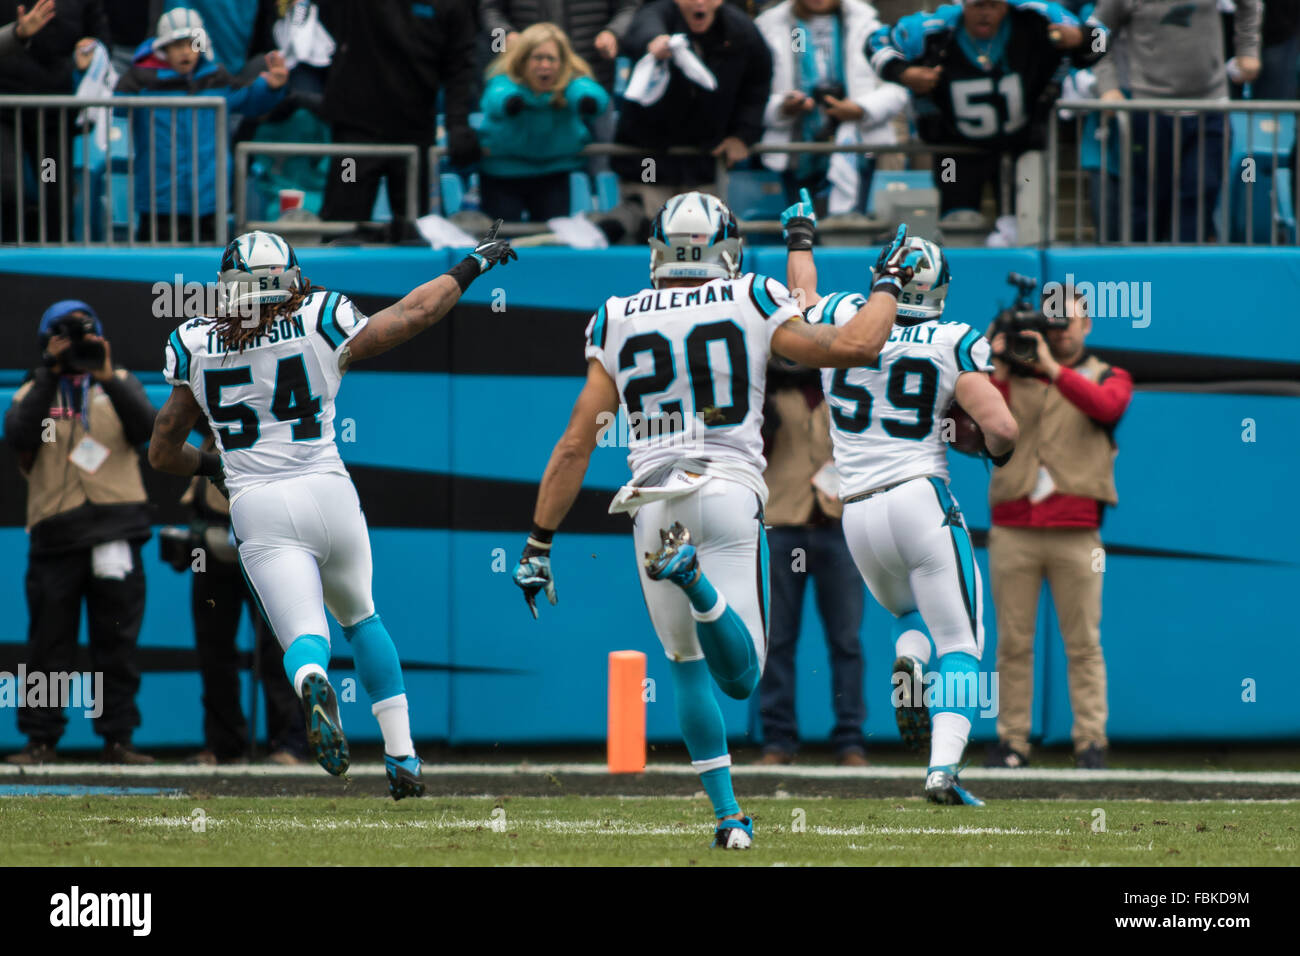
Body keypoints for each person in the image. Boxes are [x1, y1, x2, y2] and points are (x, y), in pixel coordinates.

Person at [512, 190, 908, 848]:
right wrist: (887, 284)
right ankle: (696, 584)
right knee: (743, 674)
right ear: (727, 249)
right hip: (725, 487)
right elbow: (853, 344)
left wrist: (538, 543)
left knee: (684, 664)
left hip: (649, 498)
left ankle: (728, 817)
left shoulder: (615, 315)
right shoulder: (749, 295)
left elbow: (576, 443)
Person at [147, 225, 516, 799]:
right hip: (328, 490)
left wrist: (212, 468)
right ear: (290, 278)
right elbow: (416, 313)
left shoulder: (193, 341)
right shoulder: (323, 313)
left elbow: (162, 450)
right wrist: (473, 264)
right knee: (362, 616)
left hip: (256, 503)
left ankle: (314, 681)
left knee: (304, 636)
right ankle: (403, 758)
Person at [781, 194, 1018, 804]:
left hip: (856, 509)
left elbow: (801, 299)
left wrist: (802, 238)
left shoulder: (842, 312)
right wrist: (988, 450)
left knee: (910, 616)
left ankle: (911, 659)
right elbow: (1003, 428)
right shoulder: (953, 338)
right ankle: (943, 770)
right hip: (919, 497)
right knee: (963, 644)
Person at [3, 301, 158, 766]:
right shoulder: (32, 390)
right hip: (55, 534)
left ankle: (118, 738)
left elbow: (149, 428)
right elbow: (18, 435)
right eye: (63, 338)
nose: (75, 347)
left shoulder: (119, 382)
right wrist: (50, 372)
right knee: (48, 646)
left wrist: (106, 372)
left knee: (117, 643)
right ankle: (40, 740)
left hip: (115, 530)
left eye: (82, 337)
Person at [983, 289, 1131, 770]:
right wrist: (990, 354)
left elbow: (1107, 407)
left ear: (1087, 323)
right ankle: (1012, 743)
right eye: (1053, 321)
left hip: (1077, 530)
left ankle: (1091, 742)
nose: (1061, 329)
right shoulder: (1012, 378)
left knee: (1084, 642)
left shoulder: (1110, 375)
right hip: (1014, 526)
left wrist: (1051, 369)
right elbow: (973, 412)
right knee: (1013, 644)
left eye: (1069, 320)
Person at [868, 0, 1106, 220]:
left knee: (1027, 220)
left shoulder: (1037, 17)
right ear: (963, 5)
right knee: (955, 220)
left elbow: (1102, 39)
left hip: (1022, 146)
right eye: (978, 5)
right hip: (953, 149)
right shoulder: (933, 28)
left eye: (992, 5)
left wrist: (1081, 37)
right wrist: (903, 73)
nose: (985, 14)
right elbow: (875, 42)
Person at [757, 355, 869, 766]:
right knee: (778, 639)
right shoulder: (761, 389)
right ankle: (777, 740)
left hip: (837, 525)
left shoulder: (842, 386)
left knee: (846, 640)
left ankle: (851, 740)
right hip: (782, 522)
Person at [172, 429, 307, 766]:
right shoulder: (208, 378)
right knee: (214, 646)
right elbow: (191, 416)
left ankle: (291, 742)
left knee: (278, 644)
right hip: (216, 523)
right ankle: (224, 743)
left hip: (271, 518)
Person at [114, 8, 288, 242]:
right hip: (160, 201)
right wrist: (85, 73)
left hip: (209, 202)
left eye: (193, 44)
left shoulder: (216, 77)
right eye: (177, 45)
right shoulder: (141, 81)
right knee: (158, 275)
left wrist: (271, 87)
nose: (186, 52)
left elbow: (248, 99)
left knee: (213, 272)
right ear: (163, 48)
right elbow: (112, 105)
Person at [1092, 0, 1260, 242]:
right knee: (1147, 210)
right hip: (1150, 113)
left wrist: (1248, 50)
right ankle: (1145, 275)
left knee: (1198, 201)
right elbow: (1096, 31)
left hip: (1210, 109)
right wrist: (1107, 86)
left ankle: (1187, 276)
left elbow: (1251, 5)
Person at [317, 0, 478, 241]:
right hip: (356, 132)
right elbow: (327, 15)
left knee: (418, 233)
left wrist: (458, 124)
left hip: (416, 133)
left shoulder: (452, 6)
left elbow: (460, 66)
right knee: (342, 226)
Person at [612, 0, 773, 219]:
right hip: (647, 159)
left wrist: (742, 135)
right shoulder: (658, 13)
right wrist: (654, 43)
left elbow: (757, 85)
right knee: (651, 230)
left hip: (703, 162)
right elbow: (641, 30)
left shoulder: (739, 29)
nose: (699, 2)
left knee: (701, 234)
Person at [756, 0, 908, 212]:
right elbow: (750, 95)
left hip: (856, 146)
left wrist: (861, 109)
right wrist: (783, 106)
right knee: (800, 230)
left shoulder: (868, 27)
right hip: (795, 151)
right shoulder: (773, 29)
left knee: (850, 231)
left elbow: (897, 88)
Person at [0, 0, 110, 243]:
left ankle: (57, 269)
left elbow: (100, 38)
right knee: (8, 188)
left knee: (55, 194)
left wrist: (90, 50)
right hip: (5, 112)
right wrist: (19, 34)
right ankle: (7, 260)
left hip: (53, 115)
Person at [478, 22, 609, 223]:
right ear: (522, 60)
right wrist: (511, 103)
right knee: (499, 242)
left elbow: (586, 90)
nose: (545, 65)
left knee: (551, 241)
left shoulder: (572, 83)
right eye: (537, 58)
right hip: (503, 175)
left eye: (551, 59)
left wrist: (589, 102)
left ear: (562, 63)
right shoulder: (504, 82)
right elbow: (497, 96)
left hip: (553, 173)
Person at [482, 0, 639, 92]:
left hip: (591, 78)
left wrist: (614, 33)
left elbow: (630, 6)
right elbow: (488, 11)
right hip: (523, 86)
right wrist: (504, 39)